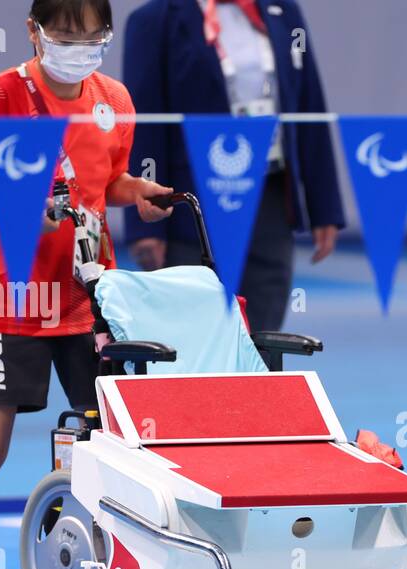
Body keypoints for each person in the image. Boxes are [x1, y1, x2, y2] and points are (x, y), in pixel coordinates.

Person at [0, 0, 174, 569]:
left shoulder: (114, 98)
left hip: (91, 300)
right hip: (5, 301)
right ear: (35, 32)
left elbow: (101, 179)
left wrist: (132, 193)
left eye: (95, 37)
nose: (83, 48)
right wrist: (13, 199)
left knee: (117, 445)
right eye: (67, 36)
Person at [121, 0, 344, 333]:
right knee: (194, 336)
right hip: (191, 204)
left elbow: (308, 103)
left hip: (269, 196)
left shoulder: (283, 11)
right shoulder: (154, 20)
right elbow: (146, 122)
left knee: (263, 332)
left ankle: (257, 385)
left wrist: (323, 206)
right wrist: (146, 225)